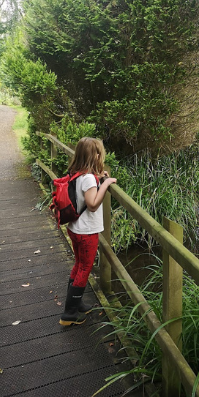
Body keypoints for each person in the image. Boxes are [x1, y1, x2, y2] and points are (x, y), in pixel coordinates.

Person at [60, 137, 116, 326]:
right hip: (86, 231)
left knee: (79, 264)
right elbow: (92, 205)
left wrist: (99, 179)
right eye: (99, 153)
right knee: (85, 268)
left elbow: (84, 194)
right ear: (96, 156)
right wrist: (106, 184)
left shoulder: (76, 174)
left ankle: (76, 304)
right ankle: (69, 313)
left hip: (75, 228)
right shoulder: (89, 179)